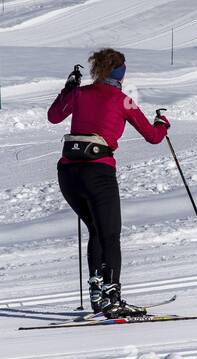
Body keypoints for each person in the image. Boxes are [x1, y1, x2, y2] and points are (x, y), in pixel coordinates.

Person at [47, 48, 169, 318]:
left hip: (67, 174)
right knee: (110, 235)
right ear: (120, 72)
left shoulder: (79, 94)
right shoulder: (123, 100)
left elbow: (54, 116)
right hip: (98, 172)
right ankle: (112, 298)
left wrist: (67, 90)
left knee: (96, 230)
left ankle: (97, 294)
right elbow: (152, 137)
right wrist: (162, 124)